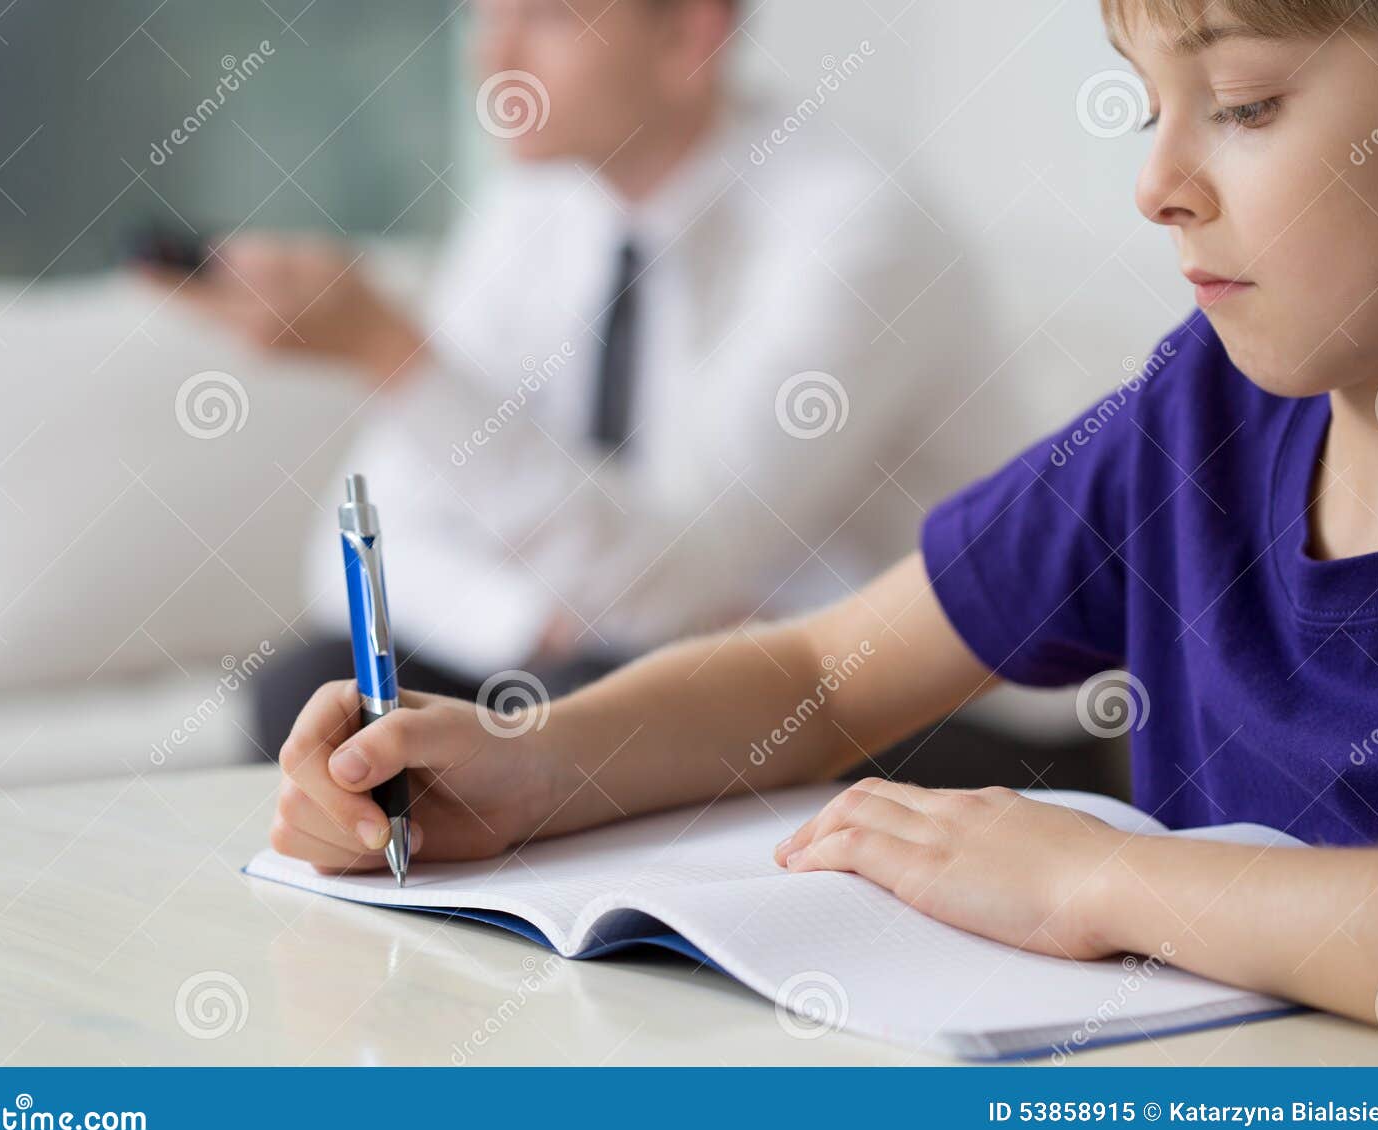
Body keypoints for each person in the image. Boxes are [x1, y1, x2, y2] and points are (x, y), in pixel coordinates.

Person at [266, 0, 1378, 1041]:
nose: (1154, 187)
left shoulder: (854, 214)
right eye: (1149, 108)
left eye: (1245, 106)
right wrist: (536, 767)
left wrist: (1109, 879)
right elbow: (824, 670)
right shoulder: (1194, 417)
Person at [153, 0, 997, 767]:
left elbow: (676, 582)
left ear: (689, 36)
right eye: (482, 14)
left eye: (547, 16)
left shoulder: (857, 228)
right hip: (629, 653)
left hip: (897, 703)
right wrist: (529, 624)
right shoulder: (533, 208)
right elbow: (361, 546)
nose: (491, 58)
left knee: (587, 710)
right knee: (314, 688)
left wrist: (392, 355)